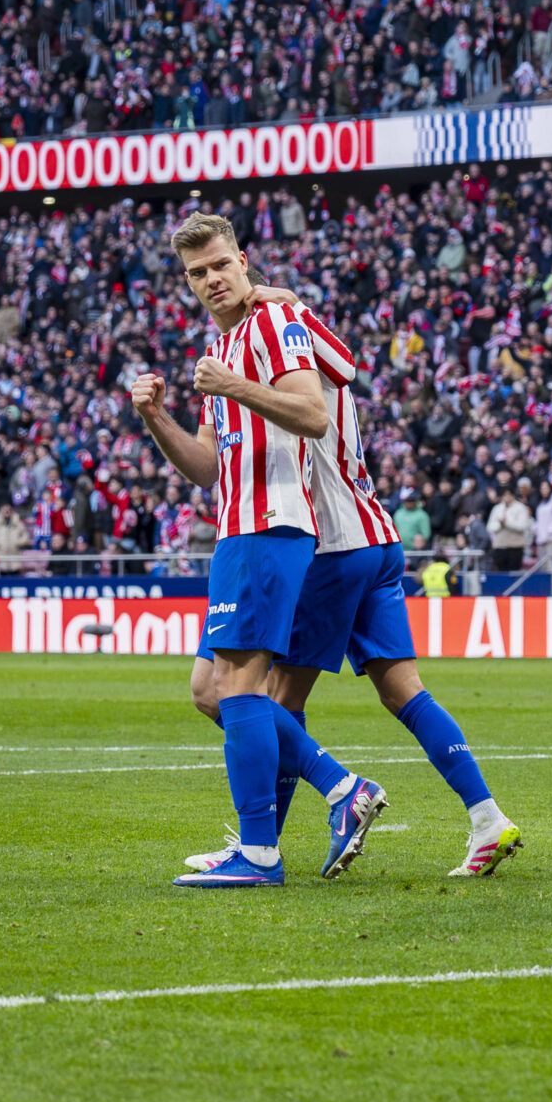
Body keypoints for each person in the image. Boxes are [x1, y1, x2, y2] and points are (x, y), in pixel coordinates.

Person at [183, 292, 521, 879]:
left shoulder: (280, 356)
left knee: (268, 699)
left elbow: (302, 413)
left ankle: (270, 840)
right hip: (378, 536)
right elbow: (344, 361)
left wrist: (265, 322)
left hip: (333, 546)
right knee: (404, 692)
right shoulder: (320, 350)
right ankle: (487, 817)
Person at [129, 213, 386, 889]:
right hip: (237, 524)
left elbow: (313, 412)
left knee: (238, 686)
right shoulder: (226, 343)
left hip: (273, 523)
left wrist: (232, 386)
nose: (211, 279)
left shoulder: (272, 324)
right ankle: (340, 787)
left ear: (244, 261)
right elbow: (209, 467)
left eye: (220, 264)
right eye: (196, 272)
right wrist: (158, 418)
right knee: (208, 690)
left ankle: (261, 851)